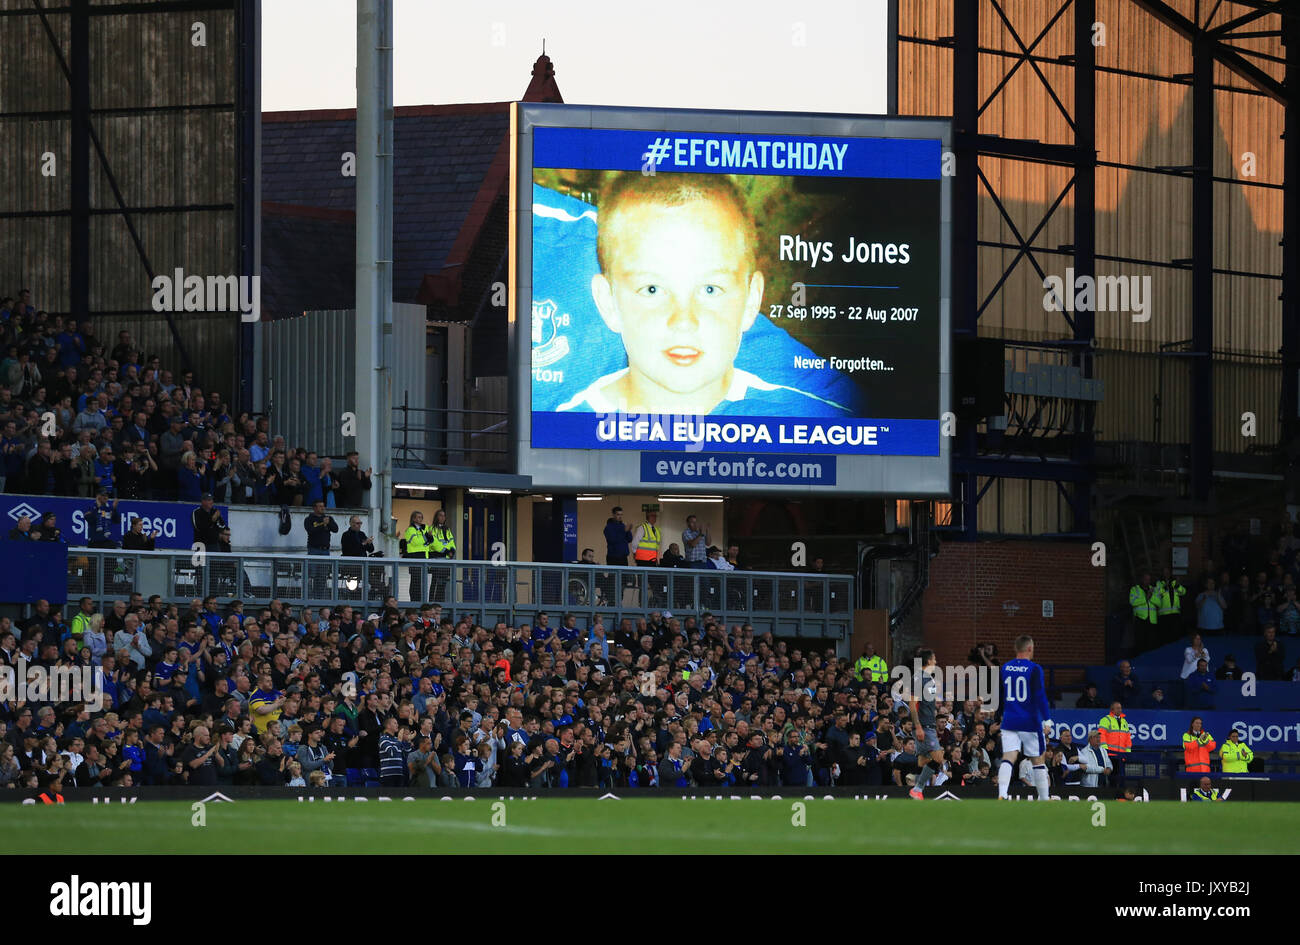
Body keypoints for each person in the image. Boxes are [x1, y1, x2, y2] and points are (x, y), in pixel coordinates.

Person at [557, 172, 851, 417]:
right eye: (652, 290)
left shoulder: (820, 422)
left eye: (710, 289)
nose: (684, 321)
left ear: (751, 301)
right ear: (608, 303)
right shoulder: (561, 435)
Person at [996, 635, 1053, 801]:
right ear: (1029, 648)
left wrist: (999, 714)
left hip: (1010, 719)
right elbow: (1039, 695)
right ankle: (1044, 799)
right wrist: (1047, 719)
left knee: (1009, 757)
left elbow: (1000, 695)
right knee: (1038, 759)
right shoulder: (1034, 668)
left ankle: (1002, 794)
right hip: (1029, 721)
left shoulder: (1005, 667)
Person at [907, 648, 945, 800]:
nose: (936, 662)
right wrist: (918, 727)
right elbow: (912, 704)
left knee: (923, 762)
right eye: (934, 659)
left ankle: (913, 783)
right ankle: (917, 788)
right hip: (923, 726)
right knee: (938, 759)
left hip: (929, 725)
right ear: (929, 661)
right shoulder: (919, 678)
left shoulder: (928, 678)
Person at [1097, 701, 1133, 787]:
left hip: (1121, 756)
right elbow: (1101, 736)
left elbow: (1128, 738)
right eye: (1117, 708)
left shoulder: (1124, 722)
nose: (1120, 710)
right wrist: (1106, 751)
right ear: (1112, 709)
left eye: (1120, 708)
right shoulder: (1105, 720)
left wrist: (1127, 752)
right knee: (1109, 777)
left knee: (1118, 777)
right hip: (1110, 755)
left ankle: (1116, 796)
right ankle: (1107, 794)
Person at [400, 510, 432, 602]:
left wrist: (427, 537)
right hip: (414, 558)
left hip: (424, 557)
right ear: (413, 519)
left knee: (422, 583)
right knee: (415, 582)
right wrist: (426, 537)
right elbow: (416, 542)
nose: (420, 519)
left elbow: (431, 540)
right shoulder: (410, 530)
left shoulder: (424, 528)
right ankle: (414, 601)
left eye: (421, 517)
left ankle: (421, 601)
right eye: (418, 517)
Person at [426, 507, 456, 602]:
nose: (442, 517)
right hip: (436, 559)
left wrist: (452, 550)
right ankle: (431, 603)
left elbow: (451, 541)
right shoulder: (431, 529)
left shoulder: (447, 530)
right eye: (440, 515)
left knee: (443, 584)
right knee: (434, 583)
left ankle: (440, 603)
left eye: (444, 516)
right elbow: (434, 543)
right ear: (436, 517)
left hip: (446, 561)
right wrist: (446, 550)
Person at [1128, 571, 1159, 654]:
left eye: (1148, 579)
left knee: (1151, 643)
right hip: (1140, 619)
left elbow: (1159, 602)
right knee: (1140, 642)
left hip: (1152, 620)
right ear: (1141, 579)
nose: (1147, 581)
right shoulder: (1135, 589)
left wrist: (1150, 597)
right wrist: (1146, 598)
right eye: (1145, 579)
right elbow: (1132, 602)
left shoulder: (1153, 589)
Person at [1154, 567, 1187, 644]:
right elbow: (1157, 595)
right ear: (1162, 573)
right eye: (1165, 572)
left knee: (1175, 636)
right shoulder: (1158, 583)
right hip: (1164, 615)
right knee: (1166, 637)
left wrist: (1178, 586)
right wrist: (1164, 588)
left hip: (1175, 613)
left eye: (1168, 572)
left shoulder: (1174, 582)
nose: (1166, 573)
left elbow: (1183, 592)